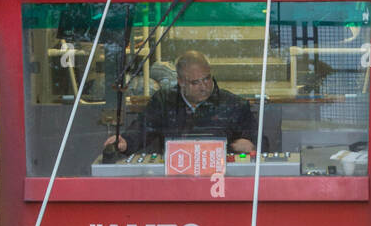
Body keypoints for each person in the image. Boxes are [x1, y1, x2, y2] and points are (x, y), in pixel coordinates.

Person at [105, 50, 258, 155]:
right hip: (174, 177)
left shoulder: (234, 104)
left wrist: (252, 145)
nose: (204, 87)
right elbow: (143, 129)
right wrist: (126, 141)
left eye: (207, 79)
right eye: (195, 82)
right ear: (181, 82)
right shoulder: (164, 101)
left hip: (220, 178)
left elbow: (260, 141)